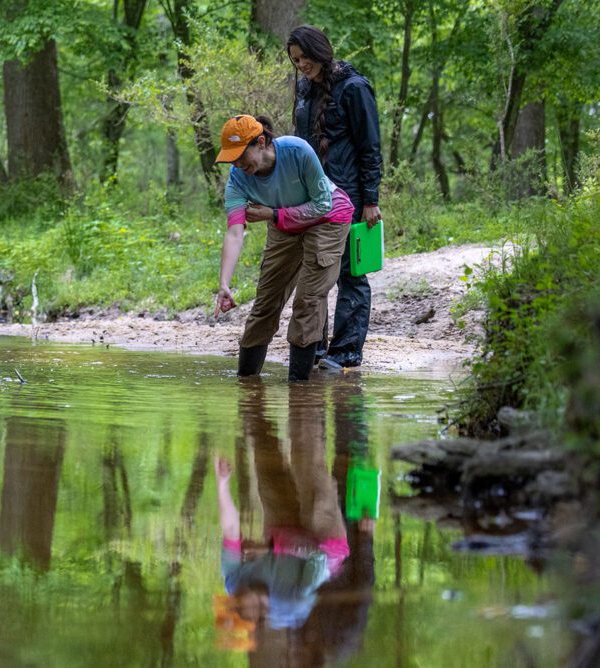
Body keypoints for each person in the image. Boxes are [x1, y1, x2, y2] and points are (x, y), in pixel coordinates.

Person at [214, 114, 354, 381]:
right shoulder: (238, 179)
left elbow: (323, 204)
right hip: (283, 223)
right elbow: (234, 232)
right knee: (266, 301)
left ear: (262, 142)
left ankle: (299, 386)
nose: (237, 163)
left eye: (241, 155)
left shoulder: (298, 151)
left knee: (307, 300)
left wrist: (273, 214)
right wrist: (224, 283)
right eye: (231, 158)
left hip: (328, 219)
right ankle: (247, 382)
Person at [213, 381, 349, 637]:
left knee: (266, 463)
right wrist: (270, 548)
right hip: (324, 546)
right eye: (241, 607)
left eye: (232, 602)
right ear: (256, 616)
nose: (237, 597)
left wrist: (222, 486)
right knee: (309, 463)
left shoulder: (233, 581)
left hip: (280, 535)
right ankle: (308, 390)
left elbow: (231, 529)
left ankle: (255, 399)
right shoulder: (291, 602)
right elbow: (316, 555)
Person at [287, 25, 383, 370]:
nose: (301, 65)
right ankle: (315, 348)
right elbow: (300, 145)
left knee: (350, 272)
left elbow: (370, 147)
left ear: (320, 51)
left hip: (351, 194)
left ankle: (345, 353)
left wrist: (370, 199)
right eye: (295, 60)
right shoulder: (302, 88)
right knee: (316, 269)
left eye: (305, 57)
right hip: (311, 195)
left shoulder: (354, 88)